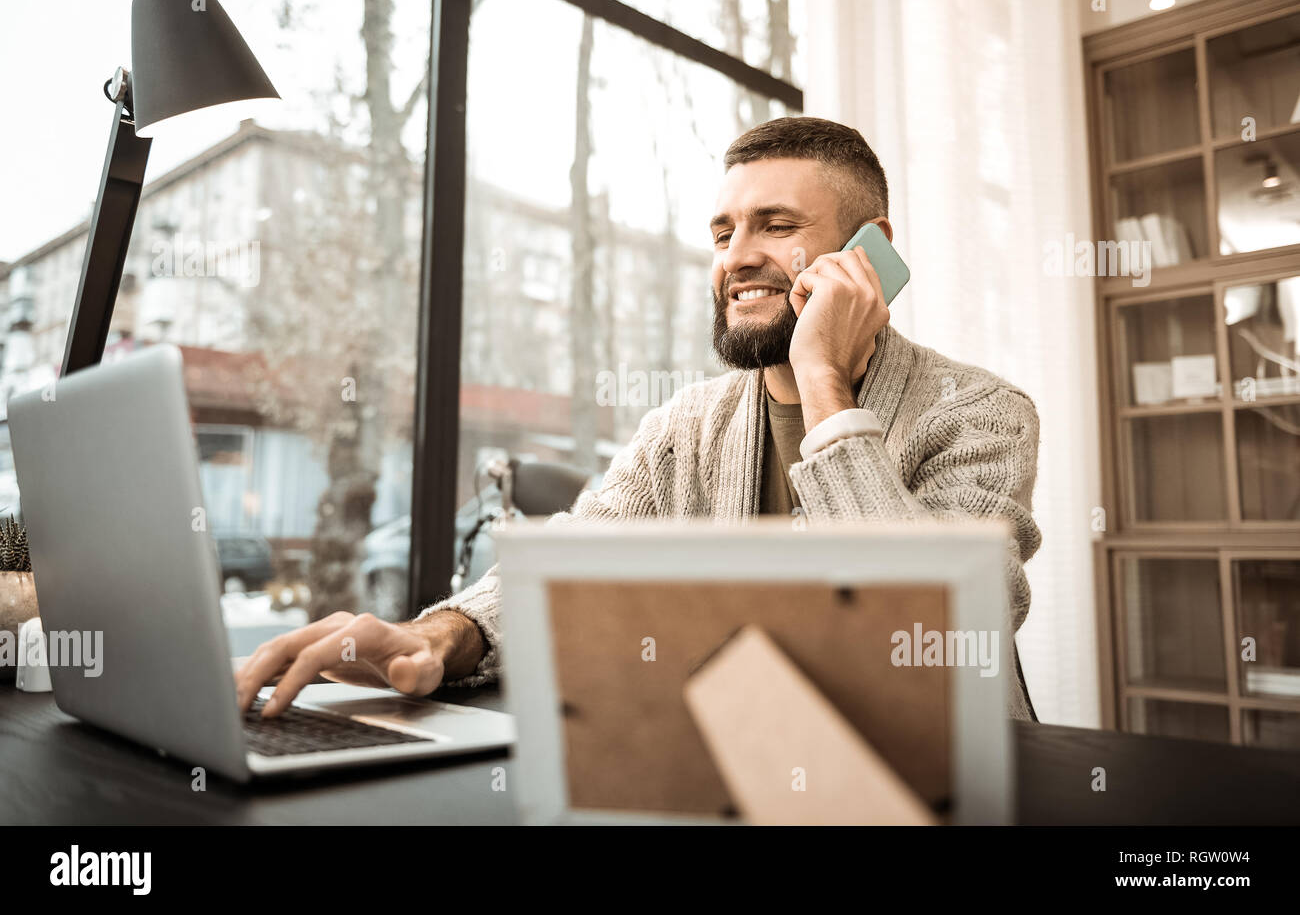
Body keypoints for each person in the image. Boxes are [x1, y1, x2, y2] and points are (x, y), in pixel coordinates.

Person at [235, 116, 1042, 721]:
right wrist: (438, 638)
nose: (736, 256)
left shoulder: (980, 414)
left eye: (777, 226)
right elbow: (568, 566)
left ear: (870, 251)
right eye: (724, 232)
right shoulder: (684, 427)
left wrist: (823, 376)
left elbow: (935, 639)